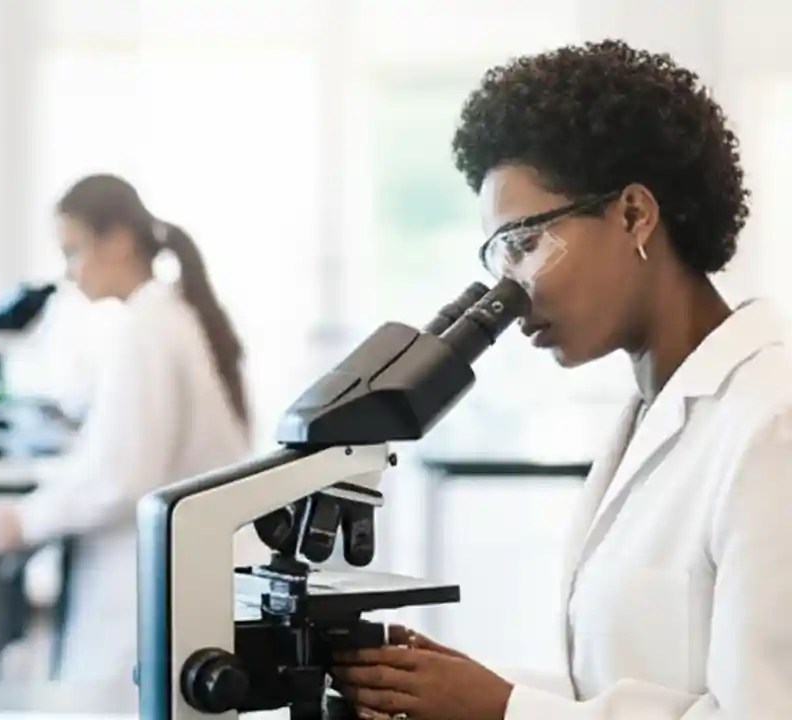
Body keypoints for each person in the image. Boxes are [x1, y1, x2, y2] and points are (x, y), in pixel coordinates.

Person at [334, 40, 792, 719]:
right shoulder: (651, 414)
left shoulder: (771, 418)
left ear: (634, 214)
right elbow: (622, 686)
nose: (510, 293)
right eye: (497, 258)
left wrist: (504, 710)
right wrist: (447, 686)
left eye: (524, 245)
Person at [0, 173, 253, 681]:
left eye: (74, 250)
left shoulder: (146, 330)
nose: (70, 273)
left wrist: (23, 520)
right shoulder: (167, 316)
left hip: (152, 579)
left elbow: (121, 476)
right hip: (178, 568)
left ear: (117, 241)